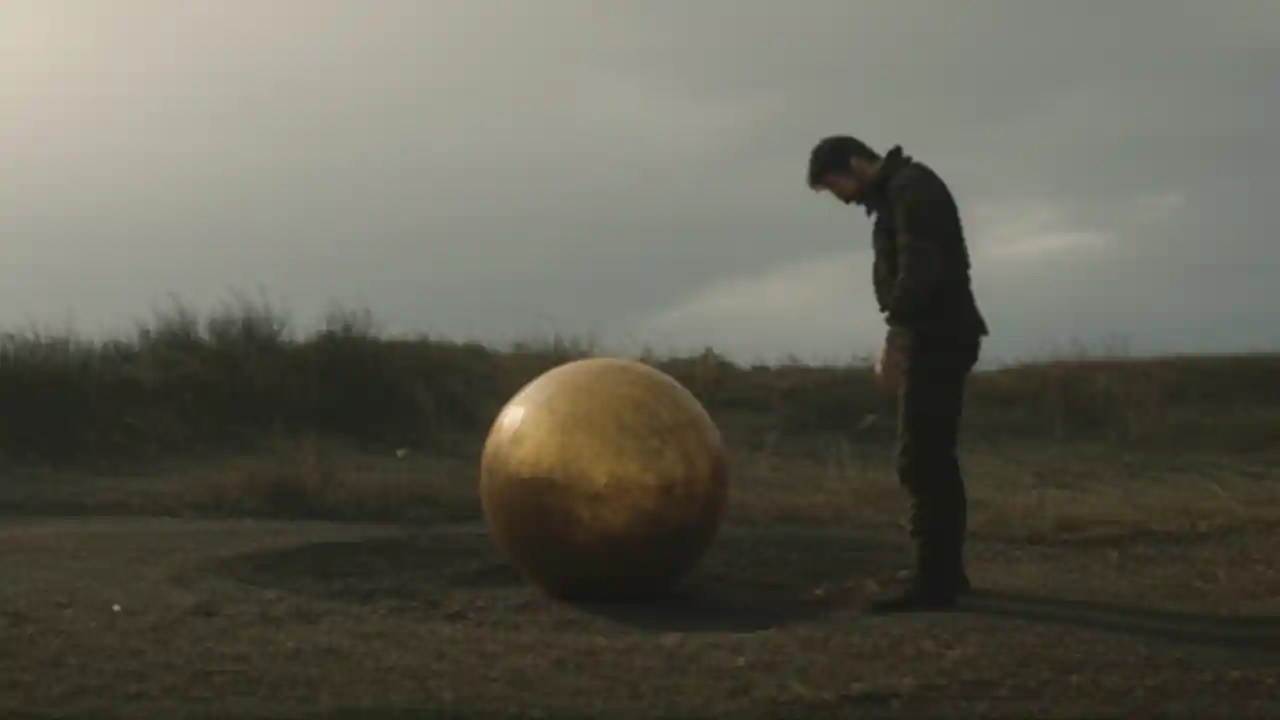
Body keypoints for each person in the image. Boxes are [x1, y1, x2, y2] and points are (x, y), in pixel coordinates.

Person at [807, 136, 989, 612]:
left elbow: (920, 267)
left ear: (854, 164)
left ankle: (935, 582)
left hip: (937, 336)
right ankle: (944, 573)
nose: (842, 198)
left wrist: (898, 336)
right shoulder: (896, 195)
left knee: (922, 457)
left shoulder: (913, 189)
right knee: (931, 456)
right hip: (937, 334)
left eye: (836, 185)